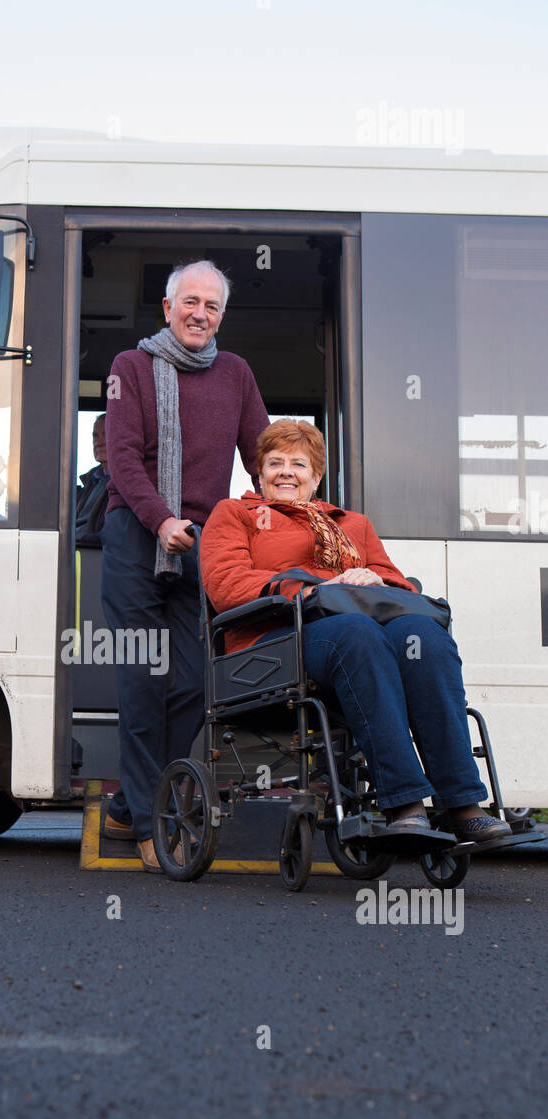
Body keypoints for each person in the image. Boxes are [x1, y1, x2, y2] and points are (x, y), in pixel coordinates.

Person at [199, 418, 512, 842]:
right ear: (260, 473)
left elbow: (396, 581)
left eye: (298, 464)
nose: (286, 471)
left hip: (357, 635)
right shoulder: (236, 514)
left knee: (426, 637)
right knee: (357, 635)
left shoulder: (353, 524)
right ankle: (405, 804)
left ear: (316, 477)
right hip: (275, 641)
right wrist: (313, 588)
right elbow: (226, 585)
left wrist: (374, 579)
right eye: (275, 463)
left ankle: (464, 805)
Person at [101, 259, 270, 869]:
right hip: (135, 535)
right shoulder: (130, 368)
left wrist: (280, 510)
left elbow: (261, 454)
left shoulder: (236, 374)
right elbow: (122, 459)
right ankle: (149, 817)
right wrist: (161, 520)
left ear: (222, 315)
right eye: (190, 301)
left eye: (213, 306)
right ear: (168, 307)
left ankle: (133, 803)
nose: (201, 313)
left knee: (198, 682)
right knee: (143, 682)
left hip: (203, 539)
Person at [75, 413, 110, 547]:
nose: (98, 442)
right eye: (95, 436)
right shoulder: (89, 483)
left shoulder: (124, 485)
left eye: (105, 435)